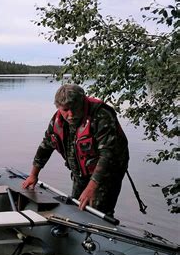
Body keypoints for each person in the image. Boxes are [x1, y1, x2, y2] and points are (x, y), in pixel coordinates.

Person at [22, 84, 129, 216]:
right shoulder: (57, 121)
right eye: (66, 110)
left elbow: (107, 155)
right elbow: (46, 146)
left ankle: (103, 230)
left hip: (109, 169)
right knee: (76, 206)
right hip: (81, 170)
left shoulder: (101, 115)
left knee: (99, 210)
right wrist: (34, 175)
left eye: (74, 109)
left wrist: (91, 188)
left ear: (83, 103)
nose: (71, 115)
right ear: (58, 107)